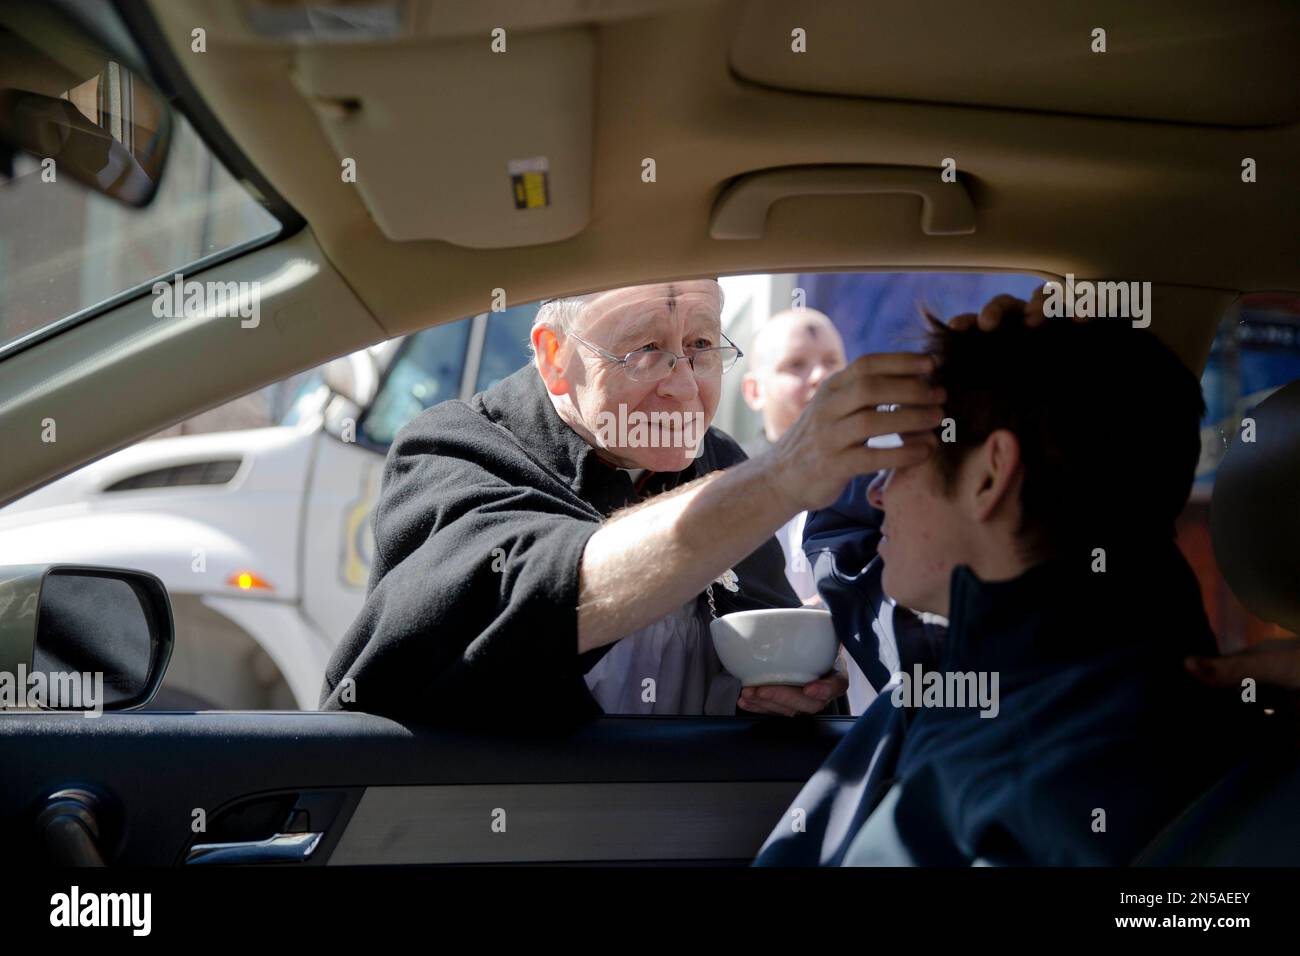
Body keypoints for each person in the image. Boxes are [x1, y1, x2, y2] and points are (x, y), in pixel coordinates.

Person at [754, 294, 1281, 865]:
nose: (877, 493)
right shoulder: (977, 693)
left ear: (990, 476)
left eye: (903, 459)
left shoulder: (1040, 773)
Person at [319, 279, 945, 724]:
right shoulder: (454, 448)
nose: (682, 386)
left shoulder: (722, 462)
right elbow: (518, 602)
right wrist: (781, 478)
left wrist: (814, 680)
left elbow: (769, 644)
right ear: (554, 358)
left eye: (701, 346)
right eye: (645, 349)